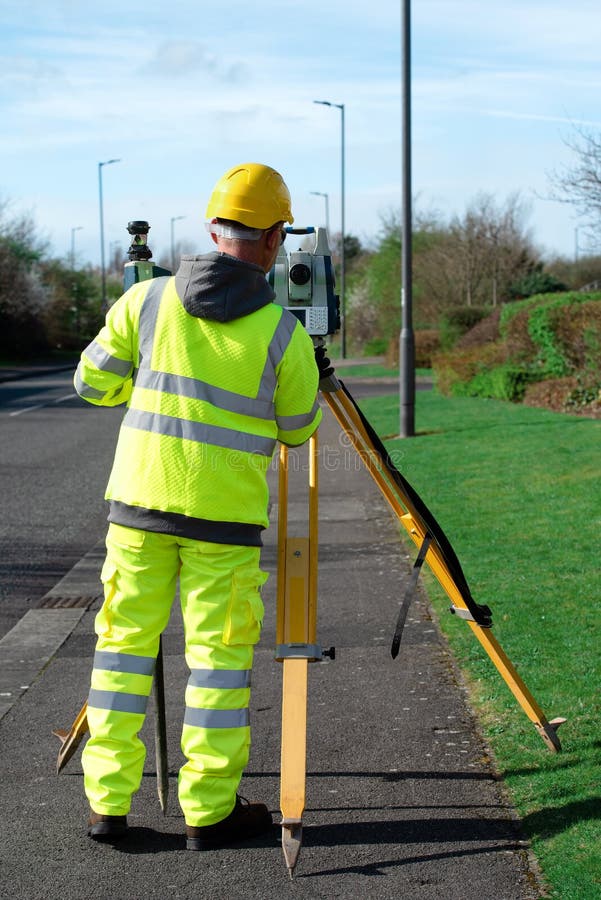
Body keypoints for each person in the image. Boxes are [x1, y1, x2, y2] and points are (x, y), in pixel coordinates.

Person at [74, 162, 322, 849]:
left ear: (213, 228)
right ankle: (209, 811)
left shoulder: (145, 301)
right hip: (225, 524)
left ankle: (107, 805)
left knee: (121, 652)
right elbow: (299, 428)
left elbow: (90, 384)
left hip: (138, 511)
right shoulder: (283, 333)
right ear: (275, 240)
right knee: (216, 663)